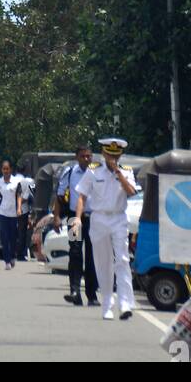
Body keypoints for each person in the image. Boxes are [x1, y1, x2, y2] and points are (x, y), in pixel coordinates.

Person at [74, 137, 137, 321]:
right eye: (109, 154)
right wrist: (77, 218)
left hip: (118, 217)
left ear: (120, 155)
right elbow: (82, 196)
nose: (112, 158)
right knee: (103, 263)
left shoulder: (126, 171)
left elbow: (131, 191)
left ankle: (125, 303)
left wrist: (118, 174)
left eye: (116, 155)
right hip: (99, 218)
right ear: (103, 154)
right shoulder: (93, 172)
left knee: (123, 260)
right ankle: (107, 303)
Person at [53, 144, 99, 307]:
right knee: (75, 253)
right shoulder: (70, 172)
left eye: (89, 156)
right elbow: (59, 195)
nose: (87, 159)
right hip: (74, 219)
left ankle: (92, 295)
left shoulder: (97, 173)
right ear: (76, 157)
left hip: (94, 218)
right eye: (83, 156)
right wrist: (56, 217)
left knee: (93, 257)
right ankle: (74, 291)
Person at [0, 159, 22, 269]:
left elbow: (19, 195)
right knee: (4, 238)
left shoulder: (16, 182)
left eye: (7, 169)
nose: (5, 171)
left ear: (11, 170)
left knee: (13, 238)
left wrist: (19, 208)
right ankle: (7, 261)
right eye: (3, 169)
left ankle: (12, 256)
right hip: (2, 213)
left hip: (13, 213)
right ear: (1, 170)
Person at [15, 170, 34, 260]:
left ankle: (15, 253)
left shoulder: (15, 180)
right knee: (22, 233)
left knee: (15, 232)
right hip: (23, 210)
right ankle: (20, 254)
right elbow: (28, 197)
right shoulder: (29, 181)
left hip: (11, 209)